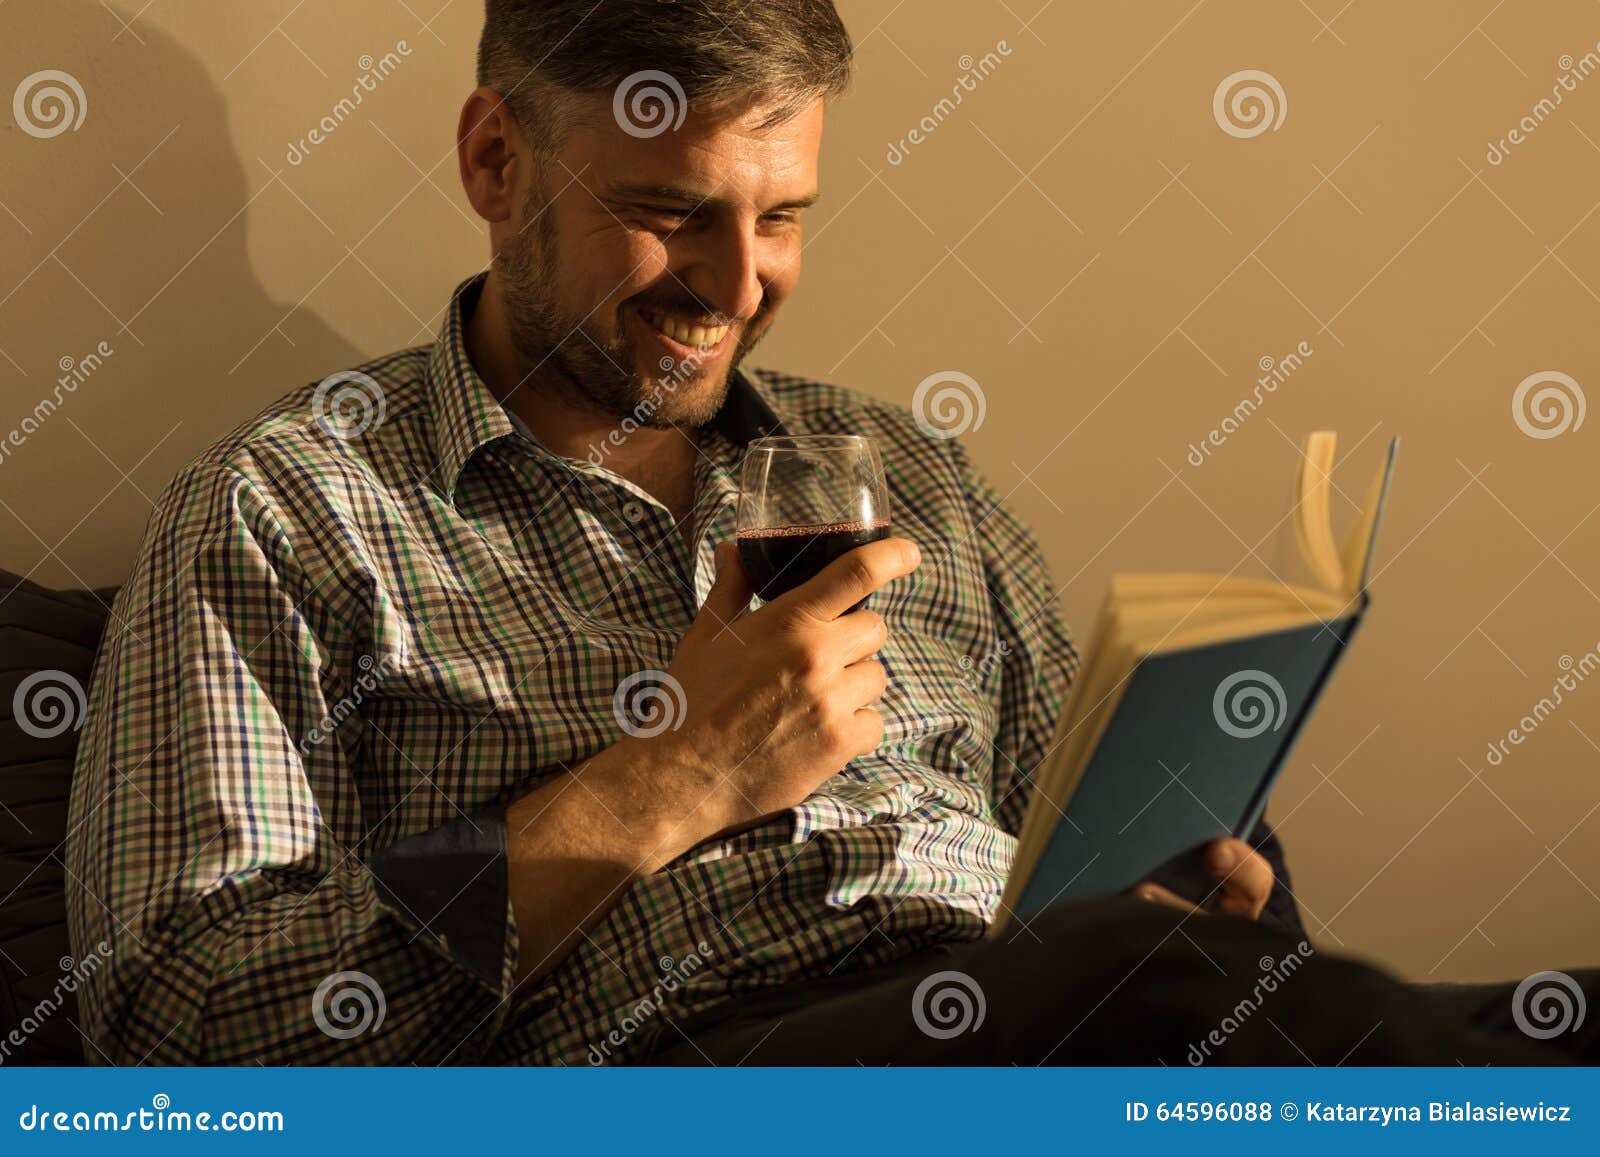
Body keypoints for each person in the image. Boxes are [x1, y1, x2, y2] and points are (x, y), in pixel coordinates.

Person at [67, 0, 1595, 1066]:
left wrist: (1209, 894)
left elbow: (1115, 889)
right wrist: (678, 776)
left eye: (783, 217)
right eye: (671, 210)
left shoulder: (913, 478)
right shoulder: (293, 506)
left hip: (1066, 1015)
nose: (735, 284)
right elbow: (184, 1033)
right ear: (494, 162)